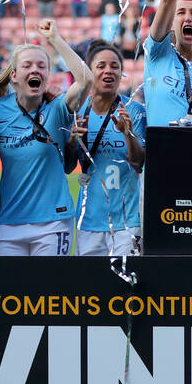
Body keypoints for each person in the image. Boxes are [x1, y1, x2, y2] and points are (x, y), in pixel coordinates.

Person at [0, 24, 92, 256]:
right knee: (10, 293)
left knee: (49, 290)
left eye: (41, 66)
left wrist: (54, 38)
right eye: (27, 66)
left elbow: (86, 79)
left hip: (53, 222)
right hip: (8, 222)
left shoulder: (58, 108)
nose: (35, 70)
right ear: (14, 75)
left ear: (47, 75)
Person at [71, 42, 145, 256]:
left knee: (127, 286)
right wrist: (72, 140)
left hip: (127, 221)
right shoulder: (78, 111)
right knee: (90, 288)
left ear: (122, 73)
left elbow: (139, 163)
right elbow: (68, 165)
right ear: (90, 71)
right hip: (89, 221)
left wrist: (127, 133)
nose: (108, 71)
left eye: (114, 66)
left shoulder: (135, 111)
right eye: (101, 65)